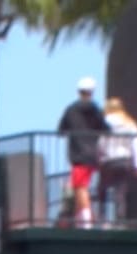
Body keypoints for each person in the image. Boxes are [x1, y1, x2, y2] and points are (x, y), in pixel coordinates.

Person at [57, 77, 110, 227]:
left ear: (78, 91)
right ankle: (83, 217)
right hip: (93, 154)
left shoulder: (71, 109)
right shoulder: (96, 110)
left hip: (78, 154)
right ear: (92, 92)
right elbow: (106, 129)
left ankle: (86, 220)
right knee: (80, 185)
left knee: (80, 187)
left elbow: (61, 131)